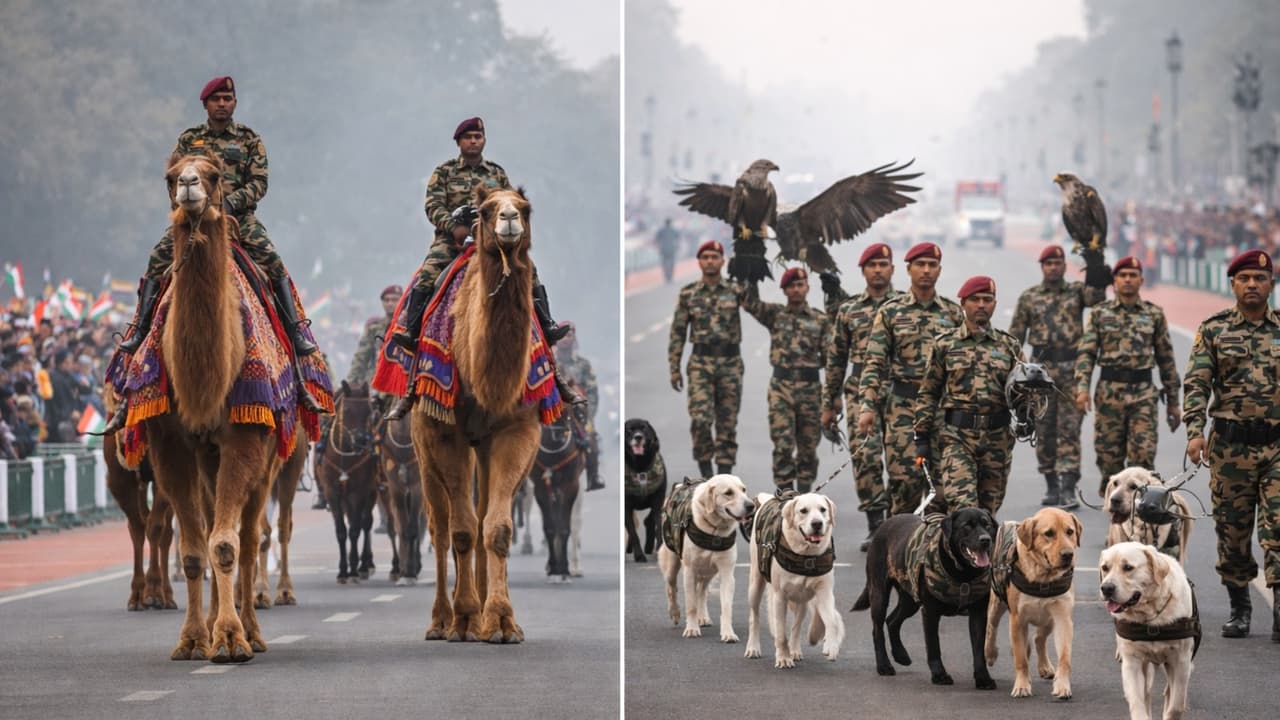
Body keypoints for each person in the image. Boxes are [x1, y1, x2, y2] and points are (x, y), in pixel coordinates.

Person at [105, 75, 321, 433]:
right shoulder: (189, 141)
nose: (222, 104)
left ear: (234, 104)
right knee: (157, 260)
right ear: (205, 105)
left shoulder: (249, 139)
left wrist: (226, 203)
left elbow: (259, 183)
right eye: (216, 99)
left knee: (274, 264)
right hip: (195, 221)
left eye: (227, 98)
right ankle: (140, 329)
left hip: (238, 220)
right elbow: (176, 181)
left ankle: (294, 336)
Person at [385, 117, 581, 420]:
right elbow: (432, 205)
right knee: (428, 274)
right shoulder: (444, 172)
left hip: (492, 243)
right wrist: (454, 225)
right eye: (469, 137)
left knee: (530, 272)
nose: (474, 141)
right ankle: (412, 332)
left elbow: (510, 204)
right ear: (459, 143)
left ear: (484, 140)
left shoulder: (497, 173)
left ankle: (548, 325)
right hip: (453, 240)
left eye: (478, 136)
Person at [1184, 249, 1280, 641]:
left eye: (1260, 278)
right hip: (1230, 449)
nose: (1253, 285)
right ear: (1234, 285)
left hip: (1277, 446)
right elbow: (1196, 384)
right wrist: (1194, 430)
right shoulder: (1214, 329)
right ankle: (1240, 607)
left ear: (1271, 284)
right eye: (1245, 279)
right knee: (1233, 532)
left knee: (1277, 530)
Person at [856, 242, 964, 515]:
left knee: (941, 487)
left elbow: (966, 362)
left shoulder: (952, 313)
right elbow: (874, 361)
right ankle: (898, 547)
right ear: (909, 270)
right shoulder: (891, 312)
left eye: (932, 265)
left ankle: (936, 551)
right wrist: (867, 406)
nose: (926, 271)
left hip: (942, 411)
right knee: (904, 484)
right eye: (921, 265)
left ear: (939, 270)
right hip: (904, 407)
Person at [1007, 244, 1108, 508]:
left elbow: (1098, 299)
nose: (1053, 267)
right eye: (1048, 263)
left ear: (1065, 266)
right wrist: (1020, 366)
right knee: (1044, 427)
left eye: (1057, 263)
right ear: (1042, 267)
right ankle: (1051, 483)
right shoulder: (1030, 297)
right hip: (1041, 373)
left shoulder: (1076, 291)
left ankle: (1068, 486)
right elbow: (1014, 336)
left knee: (1070, 429)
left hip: (1072, 368)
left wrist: (1095, 265)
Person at [914, 276, 1024, 514]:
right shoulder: (946, 344)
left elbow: (1022, 395)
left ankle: (979, 552)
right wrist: (921, 437)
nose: (982, 305)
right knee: (963, 506)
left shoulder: (1009, 346)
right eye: (975, 300)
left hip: (997, 440)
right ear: (963, 304)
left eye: (988, 299)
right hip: (957, 437)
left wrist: (1029, 409)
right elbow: (929, 392)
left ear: (995, 304)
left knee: (987, 510)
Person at [1074, 256, 1180, 496]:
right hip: (1109, 393)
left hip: (1143, 393)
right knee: (1109, 458)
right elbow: (1087, 353)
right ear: (1115, 281)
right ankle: (1115, 513)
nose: (1128, 280)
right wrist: (1082, 389)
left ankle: (1142, 517)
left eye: (1133, 275)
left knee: (1143, 458)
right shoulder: (1100, 313)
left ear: (1141, 280)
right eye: (1123, 275)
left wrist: (1173, 403)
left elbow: (1166, 359)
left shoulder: (1154, 314)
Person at [820, 243, 900, 549]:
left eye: (883, 263)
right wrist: (829, 404)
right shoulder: (849, 310)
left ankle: (898, 522)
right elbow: (836, 359)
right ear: (863, 271)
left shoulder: (905, 306)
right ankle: (876, 525)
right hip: (858, 395)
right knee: (865, 460)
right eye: (872, 265)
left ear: (892, 269)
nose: (878, 269)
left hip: (900, 395)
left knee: (901, 464)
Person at [742, 266, 829, 492]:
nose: (797, 289)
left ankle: (804, 494)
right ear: (784, 290)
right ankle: (785, 495)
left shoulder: (820, 320)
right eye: (792, 286)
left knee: (808, 447)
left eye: (800, 285)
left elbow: (831, 360)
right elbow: (750, 303)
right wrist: (750, 277)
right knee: (782, 444)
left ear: (807, 287)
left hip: (811, 389)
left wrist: (833, 397)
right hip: (781, 389)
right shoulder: (776, 315)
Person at [668, 240, 744, 478]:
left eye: (714, 256)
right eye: (705, 257)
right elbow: (678, 331)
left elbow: (760, 309)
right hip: (700, 364)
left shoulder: (736, 290)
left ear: (723, 261)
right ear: (699, 262)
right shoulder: (688, 293)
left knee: (727, 423)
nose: (710, 261)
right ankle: (706, 476)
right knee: (700, 420)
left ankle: (724, 476)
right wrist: (674, 367)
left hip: (730, 363)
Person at [554, 322, 604, 491]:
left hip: (578, 415)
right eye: (562, 335)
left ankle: (593, 476)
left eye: (569, 335)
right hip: (552, 413)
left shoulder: (583, 365)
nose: (566, 339)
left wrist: (587, 415)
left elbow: (592, 392)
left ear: (574, 338)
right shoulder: (547, 362)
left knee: (591, 440)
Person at [655, 218, 680, 284]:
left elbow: (657, 239)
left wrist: (658, 247)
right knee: (672, 263)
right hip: (672, 249)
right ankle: (670, 276)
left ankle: (666, 276)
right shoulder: (674, 230)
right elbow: (677, 239)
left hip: (663, 249)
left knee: (664, 263)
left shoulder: (661, 230)